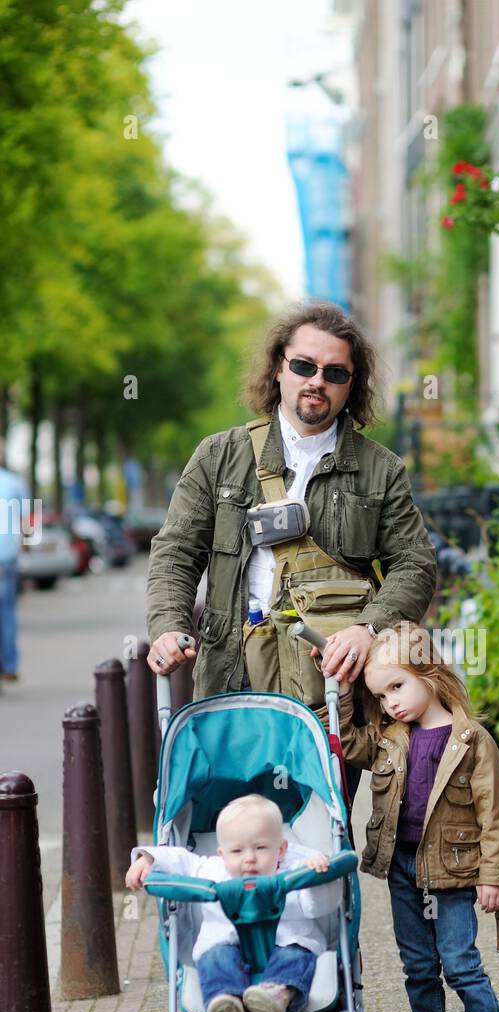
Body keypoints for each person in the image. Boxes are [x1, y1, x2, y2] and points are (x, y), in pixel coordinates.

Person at [145, 300, 437, 806]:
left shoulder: (381, 469)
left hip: (332, 688)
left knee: (321, 832)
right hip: (231, 674)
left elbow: (415, 563)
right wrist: (169, 624)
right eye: (303, 365)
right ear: (279, 367)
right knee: (234, 831)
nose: (316, 381)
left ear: (352, 384)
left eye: (335, 372)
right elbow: (175, 551)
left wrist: (366, 630)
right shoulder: (218, 456)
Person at [318, 622, 499, 1012]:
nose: (390, 702)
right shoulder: (390, 738)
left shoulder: (471, 741)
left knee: (461, 964)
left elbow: (495, 818)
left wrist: (493, 877)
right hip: (403, 868)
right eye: (381, 693)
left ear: (429, 674)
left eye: (397, 686)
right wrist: (344, 692)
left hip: (454, 873)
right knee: (417, 967)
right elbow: (346, 743)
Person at [125, 794, 333, 1012]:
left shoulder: (295, 870)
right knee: (214, 956)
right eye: (237, 851)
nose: (249, 858)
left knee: (296, 954)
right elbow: (181, 860)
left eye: (261, 848)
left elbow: (317, 906)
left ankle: (275, 996)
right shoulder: (213, 870)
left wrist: (319, 874)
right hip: (227, 945)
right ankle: (227, 1005)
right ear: (221, 854)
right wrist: (148, 859)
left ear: (282, 848)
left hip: (287, 943)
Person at [0, 460, 27, 682]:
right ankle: (9, 666)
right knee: (6, 612)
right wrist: (25, 544)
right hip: (6, 558)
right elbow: (29, 518)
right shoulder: (14, 483)